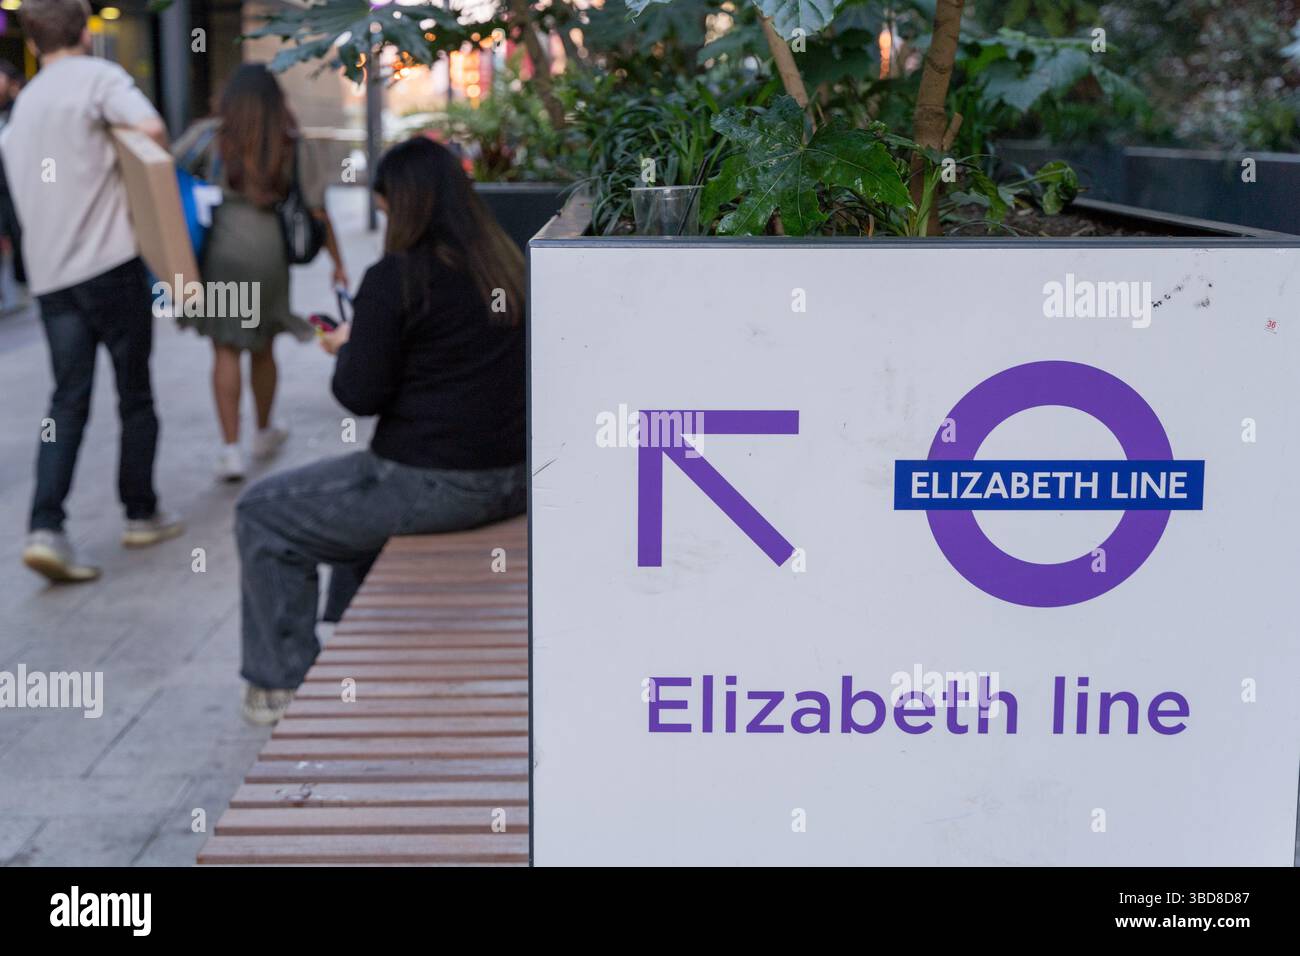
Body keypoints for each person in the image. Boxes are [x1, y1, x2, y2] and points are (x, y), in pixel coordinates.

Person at [234, 137, 526, 725]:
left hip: (434, 484)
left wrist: (346, 346)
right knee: (345, 500)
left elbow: (359, 395)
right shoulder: (507, 267)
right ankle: (352, 635)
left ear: (403, 206)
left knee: (262, 513)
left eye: (387, 208)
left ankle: (280, 684)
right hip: (511, 479)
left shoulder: (397, 278)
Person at [1, 0, 182, 583]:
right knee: (135, 395)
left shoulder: (23, 105)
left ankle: (45, 526)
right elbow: (152, 127)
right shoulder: (99, 78)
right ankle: (140, 513)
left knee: (66, 402)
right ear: (83, 30)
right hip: (110, 264)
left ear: (32, 44)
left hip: (53, 278)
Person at [172, 64, 346, 482]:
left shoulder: (211, 136)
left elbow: (165, 168)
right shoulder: (289, 141)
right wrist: (338, 264)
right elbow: (318, 210)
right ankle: (263, 432)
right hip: (268, 248)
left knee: (225, 347)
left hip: (223, 247)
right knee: (263, 345)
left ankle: (230, 450)